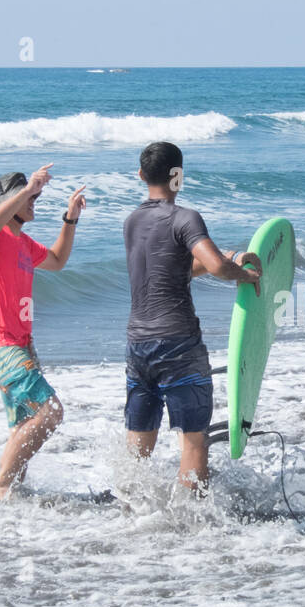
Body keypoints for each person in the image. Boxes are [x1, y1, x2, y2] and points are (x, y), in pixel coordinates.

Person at [123, 142, 262, 492]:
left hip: (138, 346)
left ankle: (131, 506)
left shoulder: (132, 221)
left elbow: (174, 269)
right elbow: (215, 266)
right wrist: (245, 274)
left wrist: (231, 255)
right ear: (178, 176)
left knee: (139, 444)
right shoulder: (185, 217)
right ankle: (193, 517)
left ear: (141, 175)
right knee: (194, 439)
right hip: (179, 345)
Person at [0, 164, 87, 499]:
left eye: (34, 196)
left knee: (25, 424)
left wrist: (70, 219)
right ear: (8, 201)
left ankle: (10, 497)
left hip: (20, 346)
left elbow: (57, 260)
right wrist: (26, 189)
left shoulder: (23, 243)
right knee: (50, 411)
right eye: (29, 197)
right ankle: (1, 484)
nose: (34, 201)